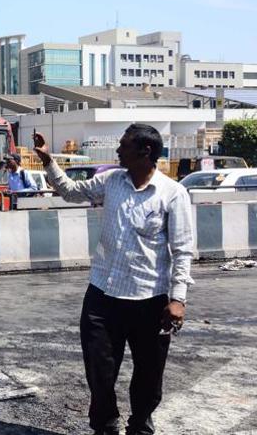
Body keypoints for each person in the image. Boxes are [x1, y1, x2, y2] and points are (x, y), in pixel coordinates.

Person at [33, 125, 194, 435]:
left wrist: (177, 299)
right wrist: (47, 161)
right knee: (100, 372)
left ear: (144, 152)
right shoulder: (110, 182)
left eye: (123, 146)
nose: (118, 151)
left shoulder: (173, 194)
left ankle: (140, 426)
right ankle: (106, 427)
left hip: (151, 300)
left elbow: (183, 249)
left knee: (149, 375)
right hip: (103, 297)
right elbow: (70, 191)